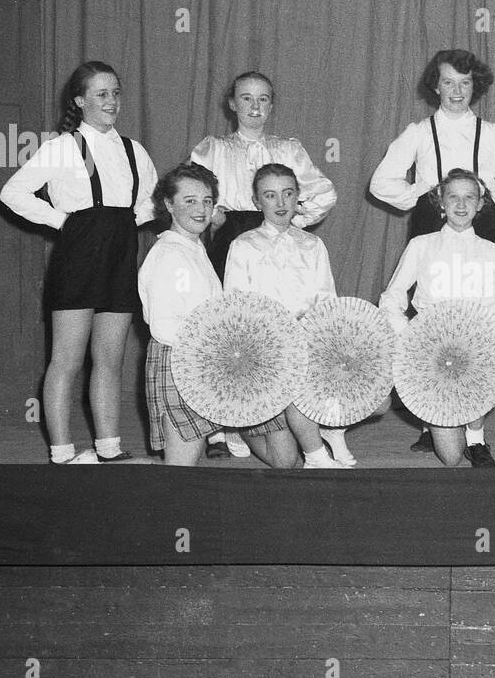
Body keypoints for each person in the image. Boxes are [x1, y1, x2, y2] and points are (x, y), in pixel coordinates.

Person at [0, 61, 158, 465]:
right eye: (102, 94)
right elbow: (13, 193)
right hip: (77, 257)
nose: (112, 101)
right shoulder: (63, 147)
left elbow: (151, 201)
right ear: (80, 100)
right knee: (67, 359)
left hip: (121, 256)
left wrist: (125, 224)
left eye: (116, 92)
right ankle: (63, 453)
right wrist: (65, 221)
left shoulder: (132, 149)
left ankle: (108, 447)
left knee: (110, 360)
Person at [370, 50, 495, 451]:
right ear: (435, 86)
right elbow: (381, 183)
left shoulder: (491, 133)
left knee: (478, 316)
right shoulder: (419, 132)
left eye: (465, 82)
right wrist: (421, 196)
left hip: (479, 227)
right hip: (431, 223)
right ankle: (430, 422)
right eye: (448, 82)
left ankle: (476, 432)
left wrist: (482, 201)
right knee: (430, 312)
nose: (457, 91)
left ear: (476, 86)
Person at [189, 69, 337, 460]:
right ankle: (225, 423)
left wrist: (294, 224)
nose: (255, 107)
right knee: (232, 326)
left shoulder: (288, 149)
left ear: (272, 104)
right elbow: (194, 192)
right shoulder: (213, 148)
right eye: (247, 98)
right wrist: (215, 216)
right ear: (232, 104)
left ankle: (291, 420)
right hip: (231, 237)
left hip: (277, 227)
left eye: (264, 99)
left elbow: (323, 192)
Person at [378, 168, 495, 468]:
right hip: (430, 350)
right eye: (453, 197)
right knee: (450, 458)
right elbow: (392, 296)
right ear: (441, 202)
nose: (461, 205)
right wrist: (410, 332)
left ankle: (477, 437)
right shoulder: (421, 245)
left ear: (480, 204)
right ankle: (433, 420)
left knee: (487, 361)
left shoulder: (490, 252)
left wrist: (492, 352)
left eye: (469, 198)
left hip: (473, 349)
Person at [223, 164, 349, 469]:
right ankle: (238, 424)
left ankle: (325, 433)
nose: (280, 204)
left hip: (307, 346)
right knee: (284, 462)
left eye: (287, 194)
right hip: (264, 354)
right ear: (256, 202)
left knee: (375, 399)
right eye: (270, 195)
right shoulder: (243, 246)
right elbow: (237, 308)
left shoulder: (312, 244)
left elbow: (326, 300)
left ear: (297, 198)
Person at [137, 164, 227, 465]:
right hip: (178, 364)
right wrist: (206, 348)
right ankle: (87, 470)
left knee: (181, 468)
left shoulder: (192, 247)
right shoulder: (170, 254)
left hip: (195, 363)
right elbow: (164, 326)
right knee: (179, 472)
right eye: (189, 200)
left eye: (207, 200)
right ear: (168, 204)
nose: (201, 209)